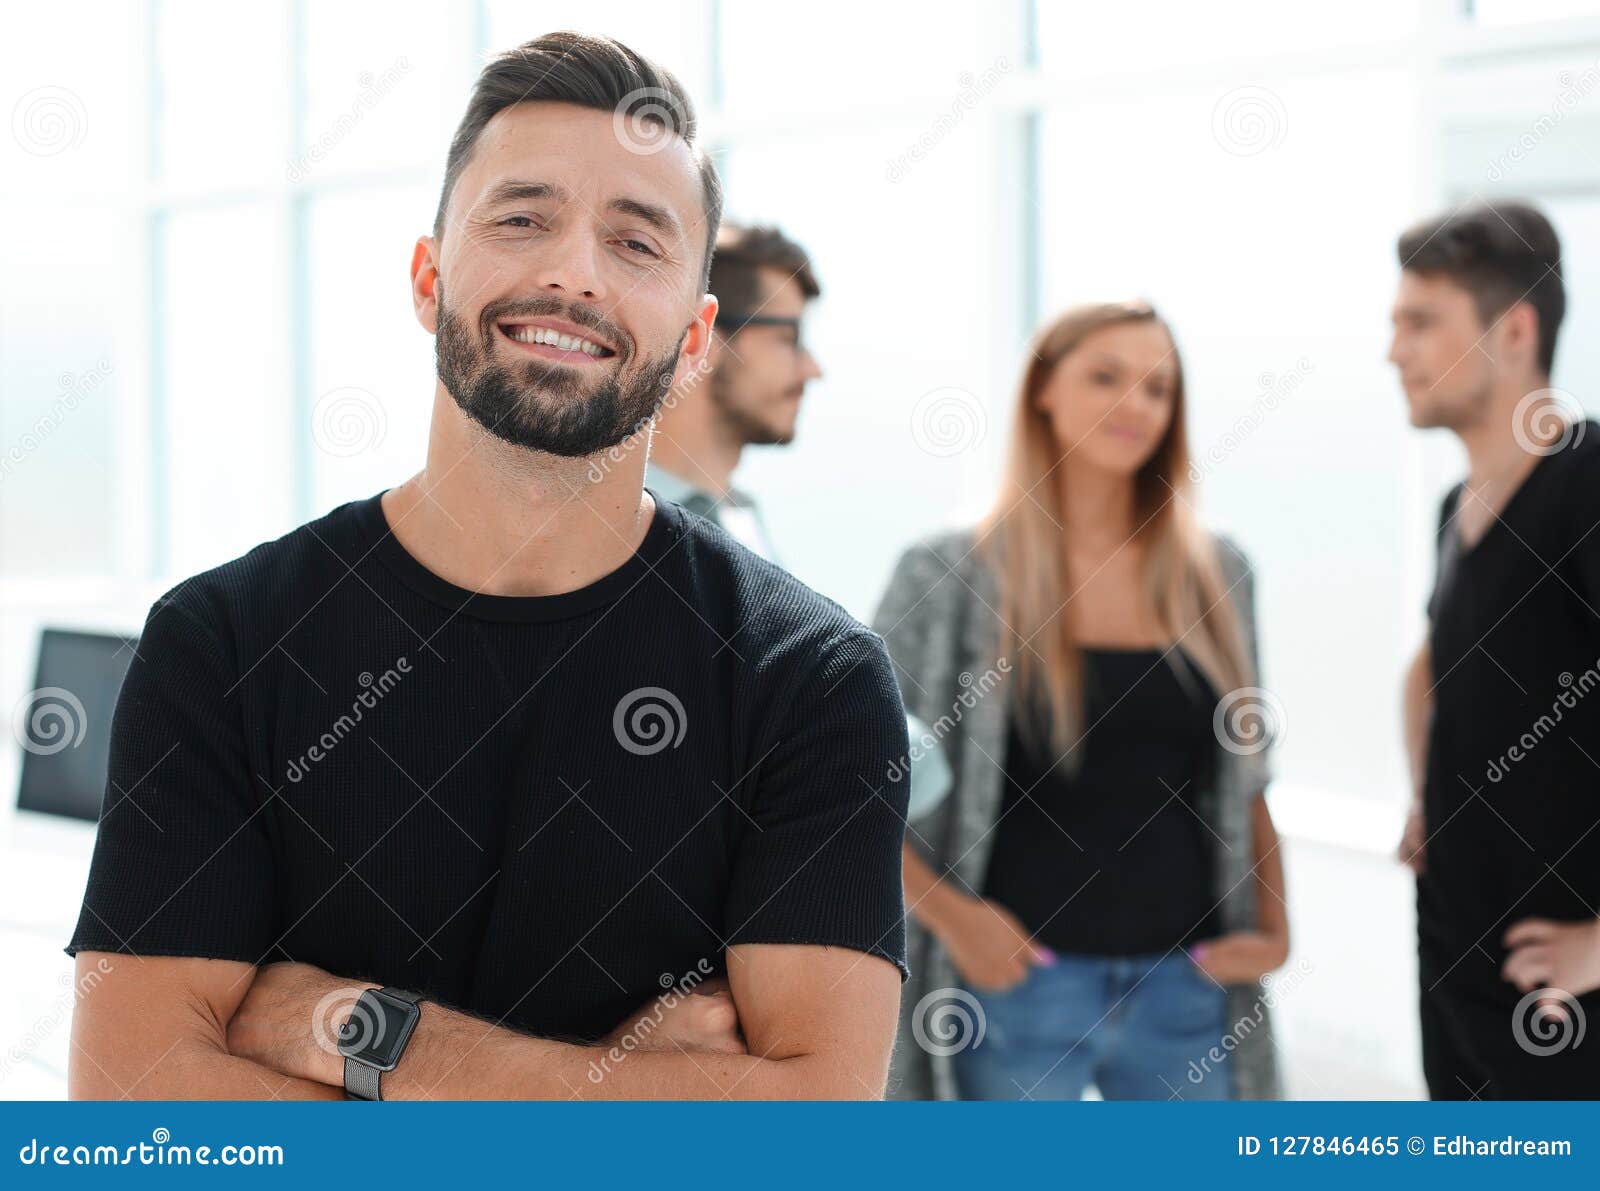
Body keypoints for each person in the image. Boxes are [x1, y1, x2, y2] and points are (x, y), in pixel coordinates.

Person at [65, 31, 911, 1102]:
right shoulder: (223, 643)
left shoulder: (810, 680)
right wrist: (626, 1098)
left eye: (636, 242)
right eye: (522, 220)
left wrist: (370, 1039)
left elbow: (812, 1135)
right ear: (429, 278)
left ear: (695, 341)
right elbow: (133, 1117)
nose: (572, 272)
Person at [875, 301, 1288, 1101]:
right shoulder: (948, 575)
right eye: (1106, 377)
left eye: (1158, 388)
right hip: (1017, 985)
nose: (1136, 405)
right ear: (1043, 391)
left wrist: (1274, 931)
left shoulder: (1219, 571)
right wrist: (955, 921)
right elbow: (845, 783)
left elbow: (1249, 775)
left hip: (1190, 984)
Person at [1389, 201, 1600, 1100]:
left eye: (1420, 322)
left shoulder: (1588, 483)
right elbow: (1440, 664)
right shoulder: (1457, 510)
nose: (1394, 350)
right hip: (1461, 977)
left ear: (1514, 329)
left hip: (1569, 1000)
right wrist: (1425, 796)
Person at [645, 221, 823, 563]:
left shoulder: (745, 522)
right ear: (700, 336)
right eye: (790, 339)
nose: (813, 370)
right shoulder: (605, 527)